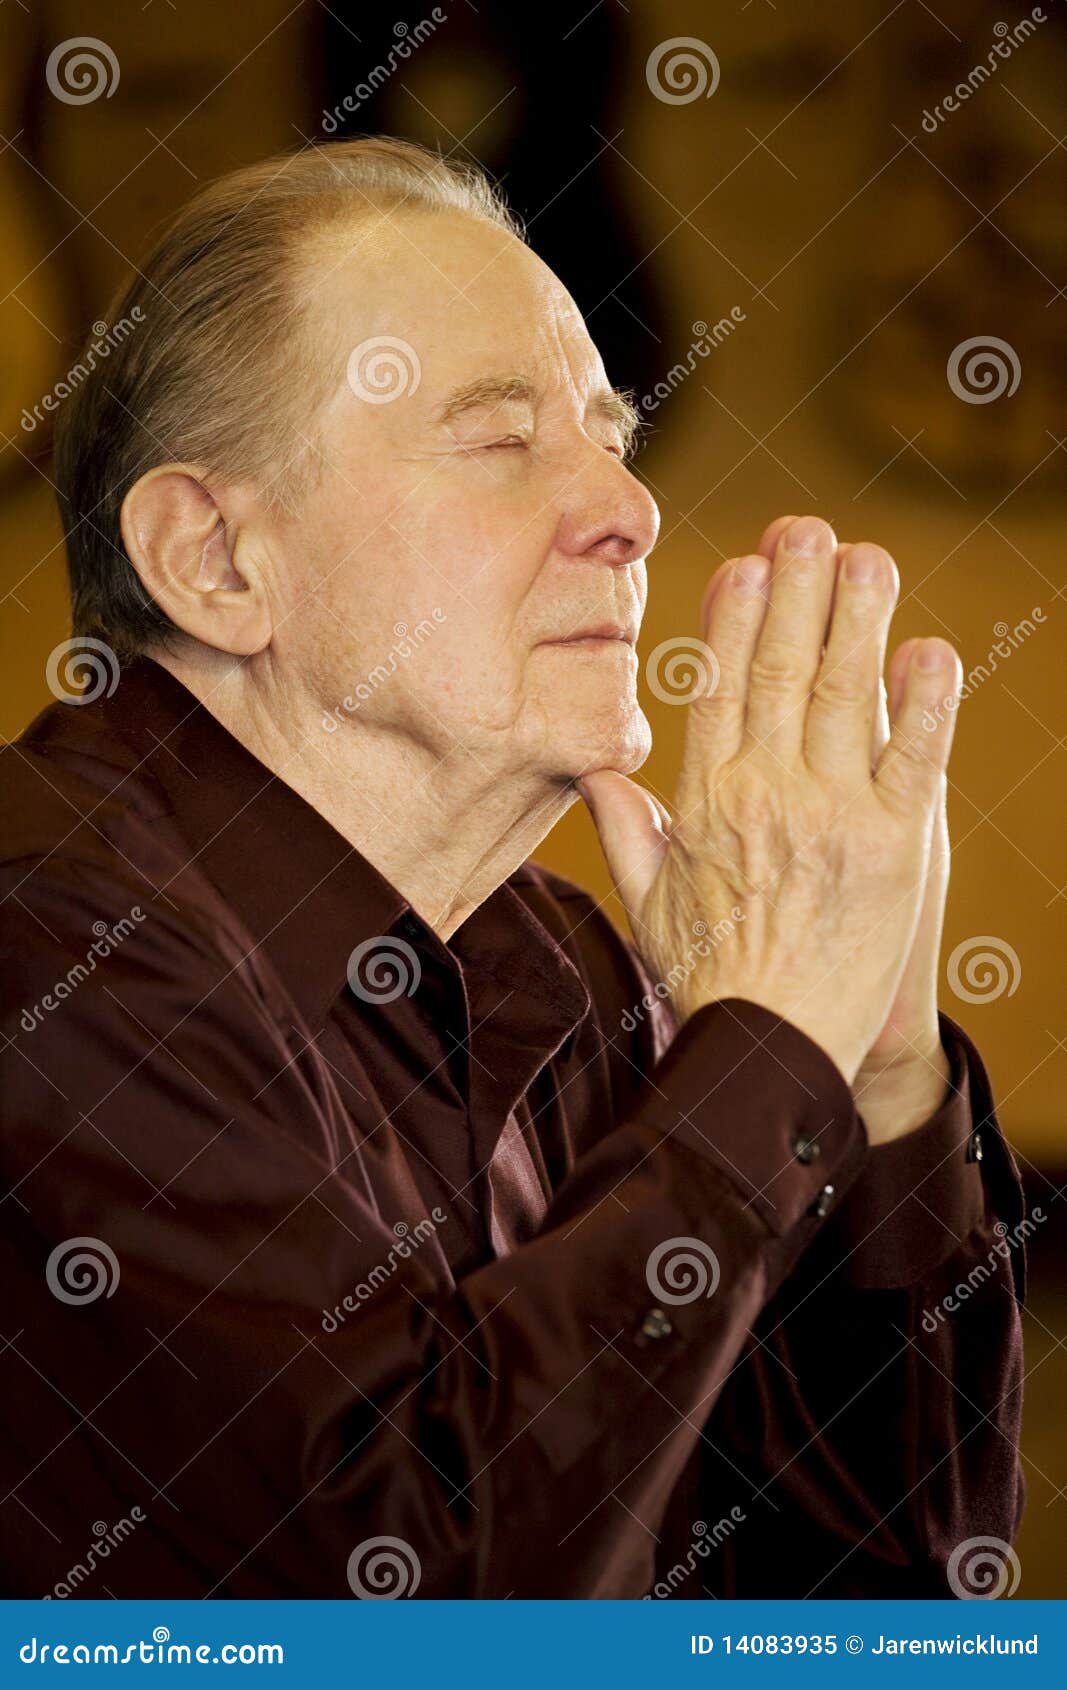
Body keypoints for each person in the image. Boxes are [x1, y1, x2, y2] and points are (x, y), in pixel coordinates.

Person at [0, 138, 1023, 1599]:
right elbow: (413, 1601)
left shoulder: (561, 959)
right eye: (499, 437)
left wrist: (871, 1065)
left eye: (606, 431)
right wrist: (767, 1041)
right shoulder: (47, 940)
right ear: (216, 560)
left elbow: (870, 1612)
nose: (630, 504)